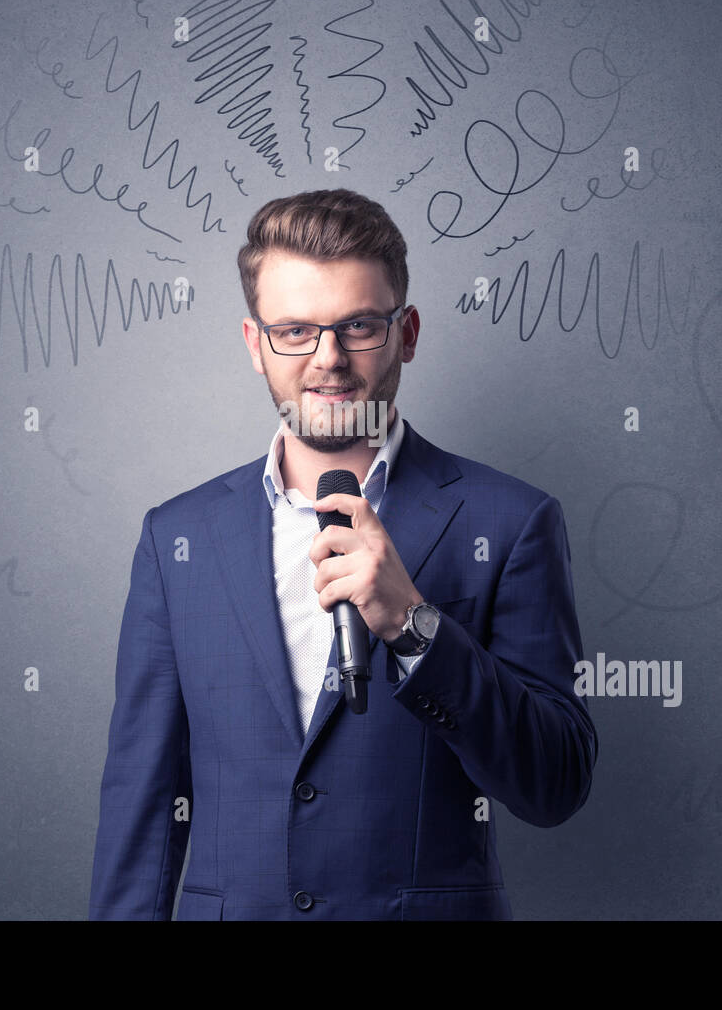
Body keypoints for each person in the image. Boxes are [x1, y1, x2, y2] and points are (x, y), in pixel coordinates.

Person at [89, 188, 597, 920]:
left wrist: (416, 626)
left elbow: (555, 783)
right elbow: (141, 805)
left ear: (407, 332)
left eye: (357, 325)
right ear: (254, 344)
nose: (328, 359)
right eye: (294, 330)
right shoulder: (179, 541)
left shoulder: (513, 522)